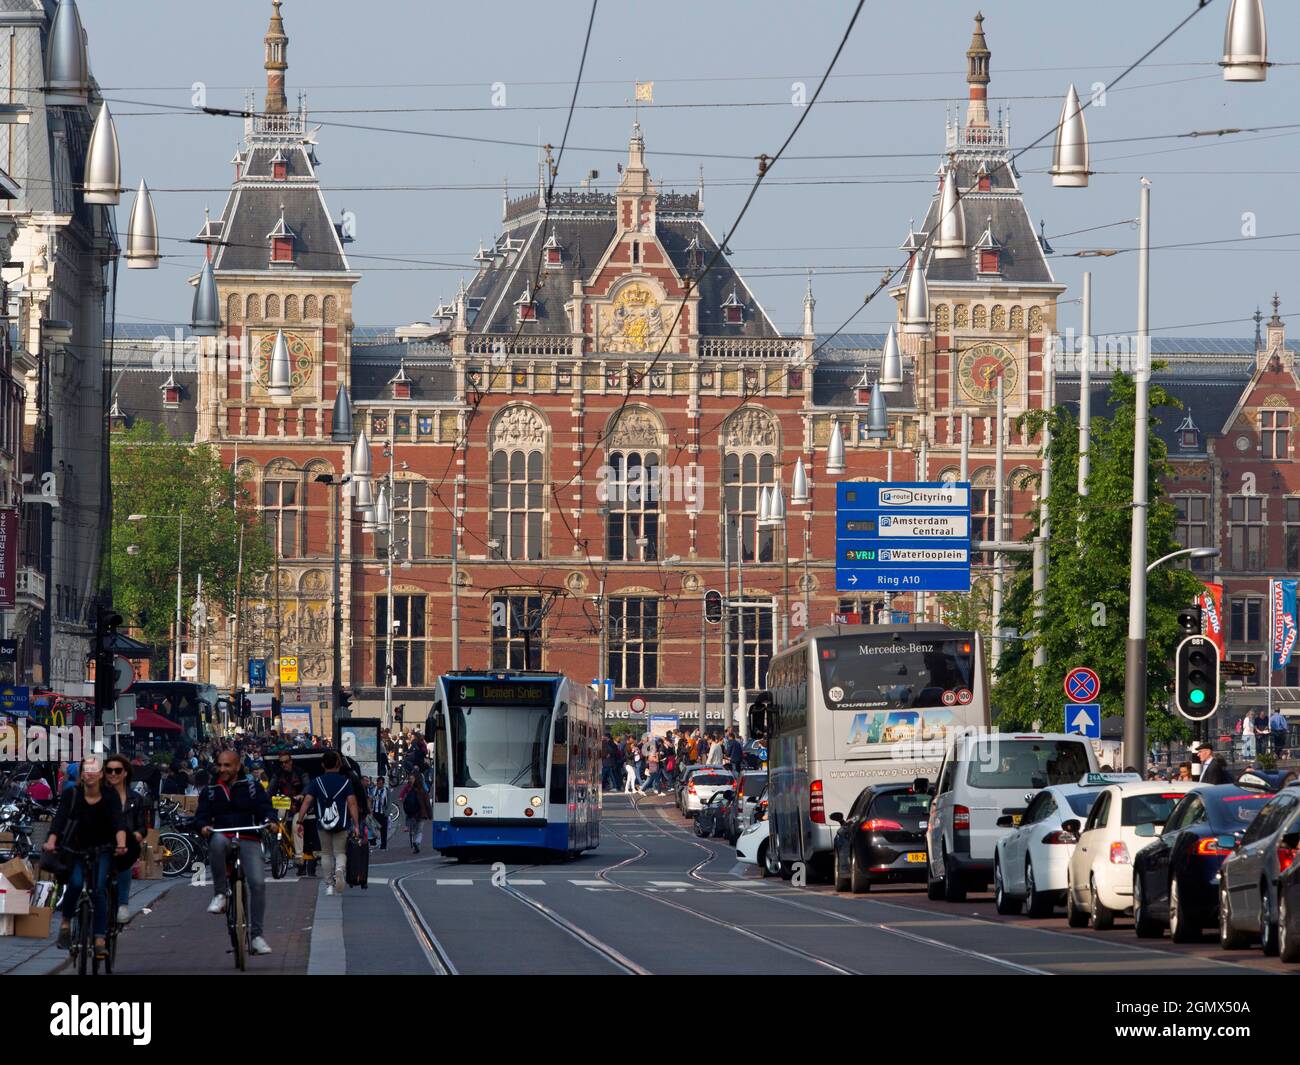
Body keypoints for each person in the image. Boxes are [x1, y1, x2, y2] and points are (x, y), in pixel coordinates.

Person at [45, 757, 128, 960]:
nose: (89, 773)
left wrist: (121, 843)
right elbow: (60, 820)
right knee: (74, 884)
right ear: (82, 774)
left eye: (94, 770)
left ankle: (100, 939)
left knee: (99, 889)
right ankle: (65, 923)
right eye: (86, 770)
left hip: (103, 848)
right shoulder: (72, 794)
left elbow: (118, 822)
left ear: (100, 774)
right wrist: (52, 841)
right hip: (76, 848)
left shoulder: (110, 797)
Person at [195, 749, 274, 956]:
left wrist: (270, 821)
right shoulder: (210, 790)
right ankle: (220, 894)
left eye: (227, 765)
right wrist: (203, 826)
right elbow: (201, 816)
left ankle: (256, 936)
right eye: (220, 765)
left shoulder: (252, 787)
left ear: (237, 766)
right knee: (217, 843)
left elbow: (266, 808)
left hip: (248, 838)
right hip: (223, 835)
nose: (223, 769)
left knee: (258, 884)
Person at [297, 750, 359, 897]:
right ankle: (339, 869)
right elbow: (352, 804)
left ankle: (329, 886)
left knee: (326, 853)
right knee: (340, 852)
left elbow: (306, 802)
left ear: (323, 764)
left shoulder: (316, 782)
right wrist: (356, 824)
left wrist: (300, 820)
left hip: (322, 823)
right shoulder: (345, 782)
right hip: (341, 823)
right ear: (339, 764)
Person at [104, 753, 148, 925]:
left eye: (117, 770)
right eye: (109, 770)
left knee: (124, 865)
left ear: (125, 773)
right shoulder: (100, 796)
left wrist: (137, 835)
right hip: (104, 841)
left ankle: (122, 904)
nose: (113, 774)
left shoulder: (135, 799)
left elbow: (142, 826)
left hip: (126, 843)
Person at [268, 749, 311, 874]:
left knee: (296, 824)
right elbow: (270, 789)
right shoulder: (277, 774)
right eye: (281, 763)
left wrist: (302, 795)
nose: (284, 765)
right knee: (278, 819)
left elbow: (307, 785)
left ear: (291, 761)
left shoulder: (300, 772)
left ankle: (299, 857)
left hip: (300, 806)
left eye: (286, 762)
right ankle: (279, 842)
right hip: (284, 804)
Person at [400, 769, 431, 853]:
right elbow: (427, 804)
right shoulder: (423, 790)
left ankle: (414, 843)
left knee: (414, 829)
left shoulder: (411, 790)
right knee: (419, 830)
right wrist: (430, 814)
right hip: (421, 813)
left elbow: (406, 800)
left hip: (412, 813)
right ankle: (417, 842)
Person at [368, 775, 390, 849]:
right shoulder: (374, 790)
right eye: (378, 783)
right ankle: (373, 843)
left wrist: (387, 813)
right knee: (373, 828)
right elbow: (370, 799)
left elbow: (389, 802)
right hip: (375, 812)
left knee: (383, 830)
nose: (379, 785)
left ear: (383, 783)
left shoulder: (386, 791)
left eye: (380, 783)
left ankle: (383, 846)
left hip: (382, 813)